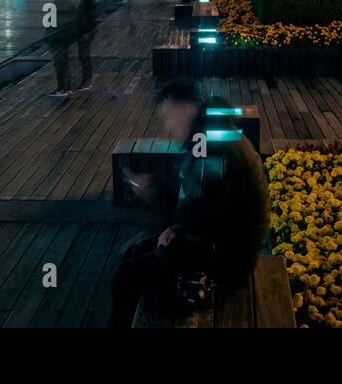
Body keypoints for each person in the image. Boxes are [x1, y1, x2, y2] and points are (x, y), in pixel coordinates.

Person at [110, 78, 270, 328]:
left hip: (228, 259)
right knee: (135, 253)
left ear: (185, 109)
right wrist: (171, 221)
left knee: (125, 275)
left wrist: (164, 212)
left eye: (168, 118)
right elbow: (201, 197)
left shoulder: (211, 143)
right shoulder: (209, 134)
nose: (167, 127)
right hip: (223, 244)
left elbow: (206, 211)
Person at [46, 0, 77, 97]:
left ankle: (61, 89)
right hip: (65, 42)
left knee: (59, 66)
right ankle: (68, 88)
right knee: (65, 65)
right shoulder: (70, 11)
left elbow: (49, 29)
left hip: (57, 43)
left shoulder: (54, 12)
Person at [75, 0, 97, 91]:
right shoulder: (88, 0)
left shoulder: (86, 1)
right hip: (83, 34)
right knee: (83, 57)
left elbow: (89, 20)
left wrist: (88, 33)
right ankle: (86, 82)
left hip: (84, 35)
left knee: (84, 58)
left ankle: (87, 82)